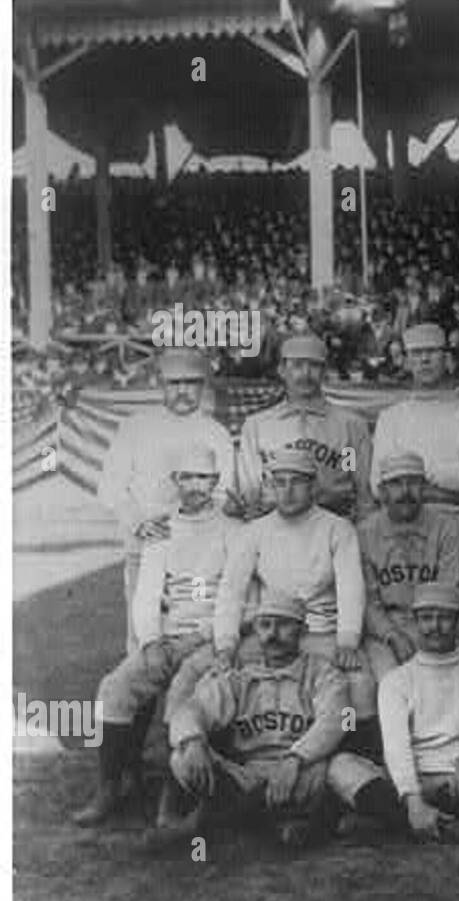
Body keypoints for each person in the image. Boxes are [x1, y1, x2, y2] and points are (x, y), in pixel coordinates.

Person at [74, 445, 242, 826]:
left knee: (183, 699)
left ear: (215, 482)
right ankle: (110, 786)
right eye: (186, 477)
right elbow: (146, 594)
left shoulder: (234, 532)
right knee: (114, 687)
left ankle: (175, 799)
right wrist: (150, 642)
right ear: (176, 482)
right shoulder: (163, 533)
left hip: (213, 640)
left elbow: (235, 597)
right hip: (168, 639)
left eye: (203, 477)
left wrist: (210, 638)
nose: (195, 486)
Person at [160, 594, 400, 848]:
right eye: (265, 625)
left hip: (306, 774)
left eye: (283, 625)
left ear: (303, 631)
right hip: (249, 777)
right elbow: (190, 709)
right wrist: (194, 740)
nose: (273, 634)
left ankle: (406, 819)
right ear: (256, 630)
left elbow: (336, 720)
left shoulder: (323, 673)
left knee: (345, 767)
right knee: (182, 758)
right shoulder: (239, 677)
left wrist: (295, 759)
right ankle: (289, 826)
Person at [211, 448, 379, 758]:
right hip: (271, 634)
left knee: (361, 684)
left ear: (314, 486)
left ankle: (357, 762)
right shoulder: (253, 532)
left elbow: (350, 588)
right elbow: (230, 592)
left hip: (322, 633)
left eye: (297, 482)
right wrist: (225, 644)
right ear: (270, 486)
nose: (287, 491)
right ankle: (225, 770)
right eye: (280, 482)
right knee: (217, 678)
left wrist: (348, 640)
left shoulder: (338, 528)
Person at [97, 348, 235, 654]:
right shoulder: (136, 427)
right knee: (142, 635)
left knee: (198, 635)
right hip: (146, 544)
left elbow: (225, 492)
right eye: (174, 383)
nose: (183, 391)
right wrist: (138, 522)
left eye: (191, 382)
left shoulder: (217, 433)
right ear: (160, 383)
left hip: (200, 554)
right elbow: (110, 487)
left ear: (203, 386)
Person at [376, 582, 459, 848]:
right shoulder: (395, 680)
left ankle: (406, 823)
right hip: (415, 779)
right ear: (415, 622)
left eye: (444, 618)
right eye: (426, 618)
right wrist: (413, 797)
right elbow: (396, 747)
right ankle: (456, 828)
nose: (435, 627)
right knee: (357, 774)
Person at [237, 333, 374, 522]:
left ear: (325, 371)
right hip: (274, 524)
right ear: (282, 370)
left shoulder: (350, 425)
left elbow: (362, 490)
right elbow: (251, 492)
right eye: (298, 365)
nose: (306, 374)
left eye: (314, 365)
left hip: (334, 522)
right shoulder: (257, 426)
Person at [358, 452, 459, 687]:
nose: (405, 491)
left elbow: (448, 592)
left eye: (413, 482)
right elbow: (367, 602)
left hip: (436, 625)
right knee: (390, 681)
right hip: (385, 629)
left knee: (440, 682)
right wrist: (392, 635)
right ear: (382, 492)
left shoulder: (446, 526)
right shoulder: (364, 532)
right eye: (396, 483)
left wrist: (428, 635)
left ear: (424, 487)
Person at [369, 323, 459, 511]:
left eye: (432, 351)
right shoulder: (390, 418)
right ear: (407, 362)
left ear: (446, 358)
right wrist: (447, 485)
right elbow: (378, 485)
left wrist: (408, 478)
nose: (425, 359)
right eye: (417, 353)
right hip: (403, 525)